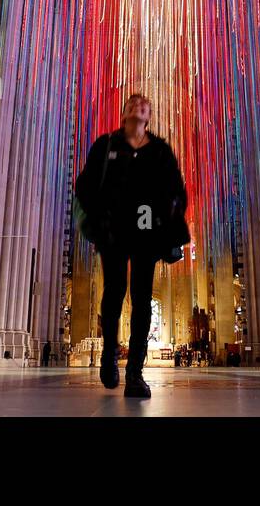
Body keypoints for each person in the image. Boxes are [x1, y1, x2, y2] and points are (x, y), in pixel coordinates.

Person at [74, 93, 188, 398]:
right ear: (124, 114)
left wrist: (171, 222)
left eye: (144, 105)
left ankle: (135, 371)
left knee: (141, 299)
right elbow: (84, 185)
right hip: (113, 231)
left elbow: (176, 189)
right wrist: (99, 218)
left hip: (147, 232)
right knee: (113, 294)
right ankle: (109, 354)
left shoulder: (160, 150)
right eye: (132, 105)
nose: (138, 108)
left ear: (148, 115)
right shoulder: (106, 144)